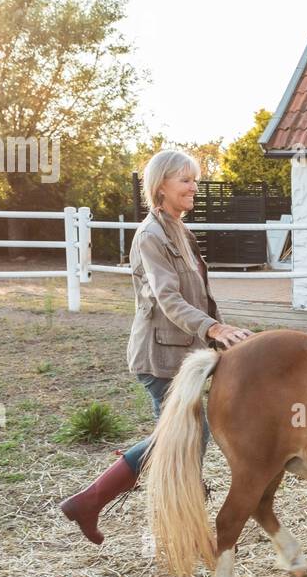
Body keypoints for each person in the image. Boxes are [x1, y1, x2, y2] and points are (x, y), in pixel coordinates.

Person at [60, 148, 253, 544]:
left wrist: (219, 331)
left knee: (183, 438)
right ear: (160, 185)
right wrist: (213, 330)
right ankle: (114, 507)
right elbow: (168, 299)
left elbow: (197, 295)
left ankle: (109, 504)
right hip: (160, 356)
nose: (193, 187)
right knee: (180, 439)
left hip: (185, 354)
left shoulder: (180, 231)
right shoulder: (150, 236)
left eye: (194, 179)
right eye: (185, 180)